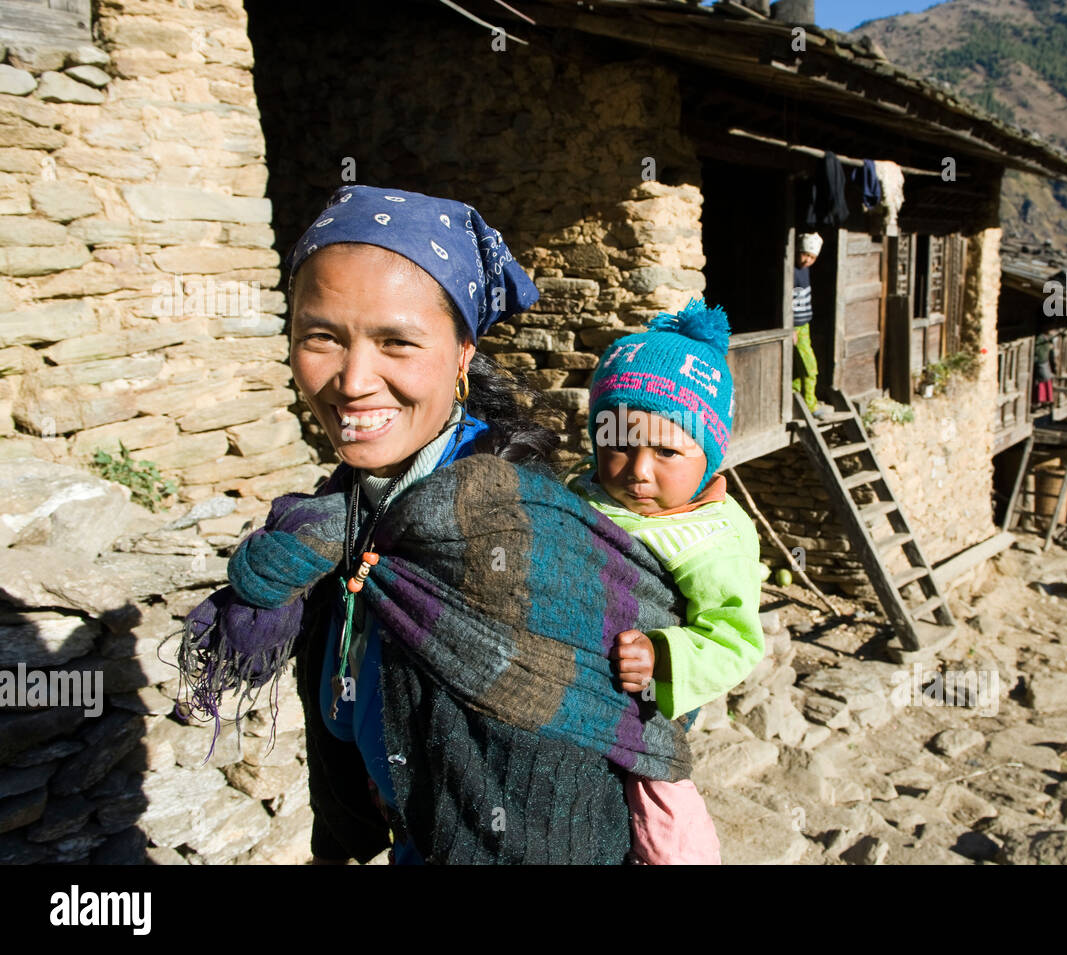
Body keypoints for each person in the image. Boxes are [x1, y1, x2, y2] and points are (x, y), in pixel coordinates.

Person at [180, 186, 693, 864]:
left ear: (460, 356)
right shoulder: (342, 521)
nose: (353, 380)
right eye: (322, 337)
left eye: (396, 341)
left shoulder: (525, 537)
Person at [570, 298, 766, 863]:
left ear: (706, 456)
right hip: (567, 690)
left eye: (665, 450)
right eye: (618, 445)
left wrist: (661, 654)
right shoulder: (583, 491)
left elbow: (734, 639)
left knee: (661, 821)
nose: (637, 470)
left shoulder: (712, 538)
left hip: (647, 713)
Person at [793, 232, 824, 415]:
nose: (807, 260)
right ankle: (810, 404)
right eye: (805, 255)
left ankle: (797, 395)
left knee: (800, 364)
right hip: (796, 327)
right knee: (809, 365)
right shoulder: (793, 272)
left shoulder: (805, 270)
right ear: (798, 251)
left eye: (812, 257)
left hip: (805, 325)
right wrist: (791, 328)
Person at [1033, 331, 1057, 410]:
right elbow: (1039, 351)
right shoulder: (1040, 339)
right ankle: (1039, 401)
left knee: (1045, 381)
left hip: (1044, 362)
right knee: (1042, 381)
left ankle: (1044, 401)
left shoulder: (1047, 338)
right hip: (1041, 362)